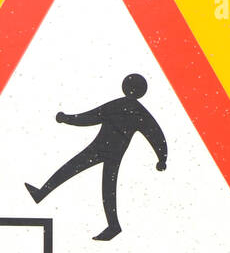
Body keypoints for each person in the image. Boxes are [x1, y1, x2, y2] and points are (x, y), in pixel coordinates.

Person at [25, 74, 167, 240]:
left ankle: (42, 194)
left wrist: (66, 118)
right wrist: (162, 157)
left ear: (125, 87)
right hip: (110, 151)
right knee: (106, 187)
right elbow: (156, 136)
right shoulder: (139, 112)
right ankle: (113, 226)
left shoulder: (118, 105)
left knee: (71, 170)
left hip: (100, 148)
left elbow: (89, 117)